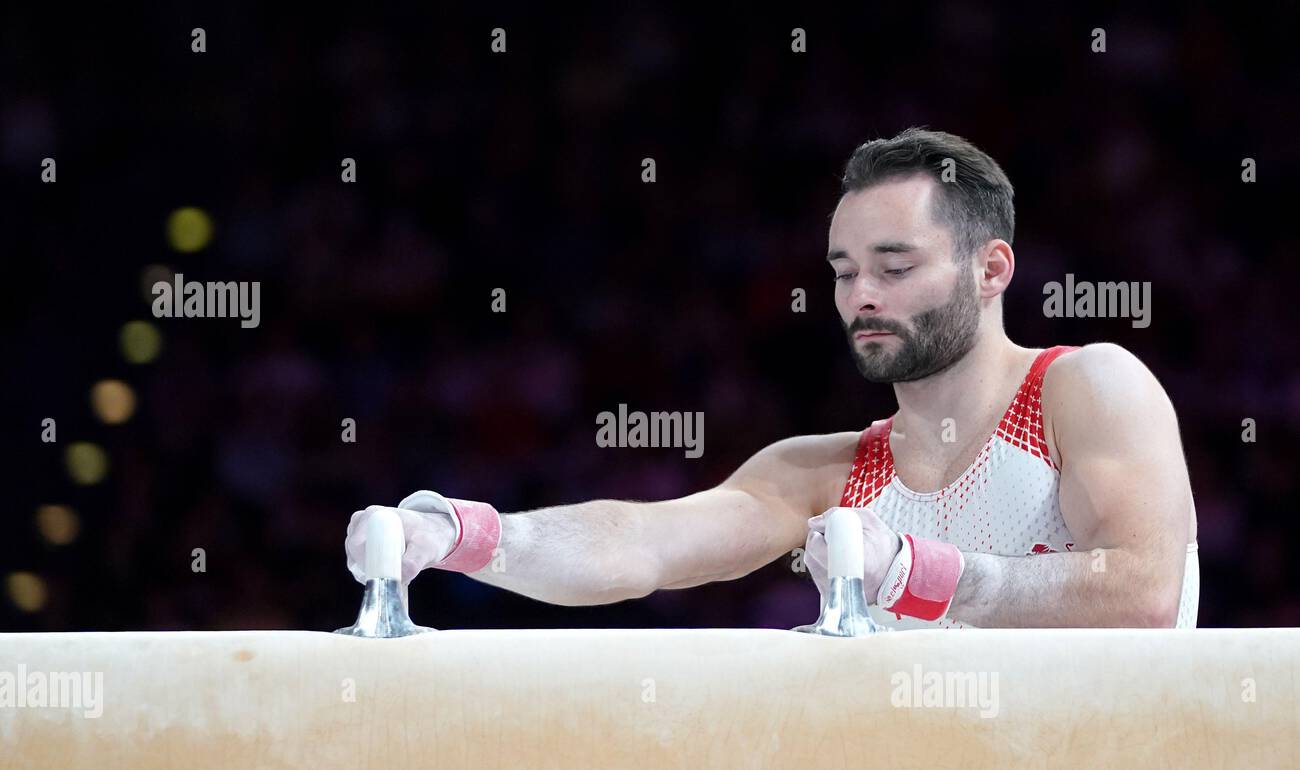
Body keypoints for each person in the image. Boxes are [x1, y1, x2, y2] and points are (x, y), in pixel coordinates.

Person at [346, 128, 1199, 629]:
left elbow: (1146, 589)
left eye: (894, 265)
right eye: (842, 270)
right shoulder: (828, 475)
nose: (860, 295)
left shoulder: (1087, 389)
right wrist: (470, 537)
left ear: (991, 268)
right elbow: (643, 546)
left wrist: (922, 574)